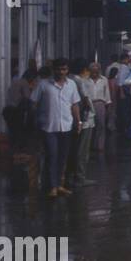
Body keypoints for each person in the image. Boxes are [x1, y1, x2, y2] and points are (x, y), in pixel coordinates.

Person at [34, 58, 81, 197]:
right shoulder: (43, 85)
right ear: (53, 70)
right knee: (52, 155)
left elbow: (75, 104)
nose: (61, 72)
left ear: (67, 70)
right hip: (48, 126)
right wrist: (36, 121)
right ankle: (52, 186)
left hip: (66, 126)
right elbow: (34, 104)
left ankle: (60, 185)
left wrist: (78, 122)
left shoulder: (71, 84)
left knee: (63, 156)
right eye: (59, 69)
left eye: (64, 69)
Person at [69, 60, 97, 187]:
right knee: (82, 150)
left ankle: (71, 177)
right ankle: (80, 177)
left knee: (74, 148)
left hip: (73, 120)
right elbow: (85, 99)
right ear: (84, 70)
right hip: (84, 120)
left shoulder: (69, 79)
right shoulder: (79, 81)